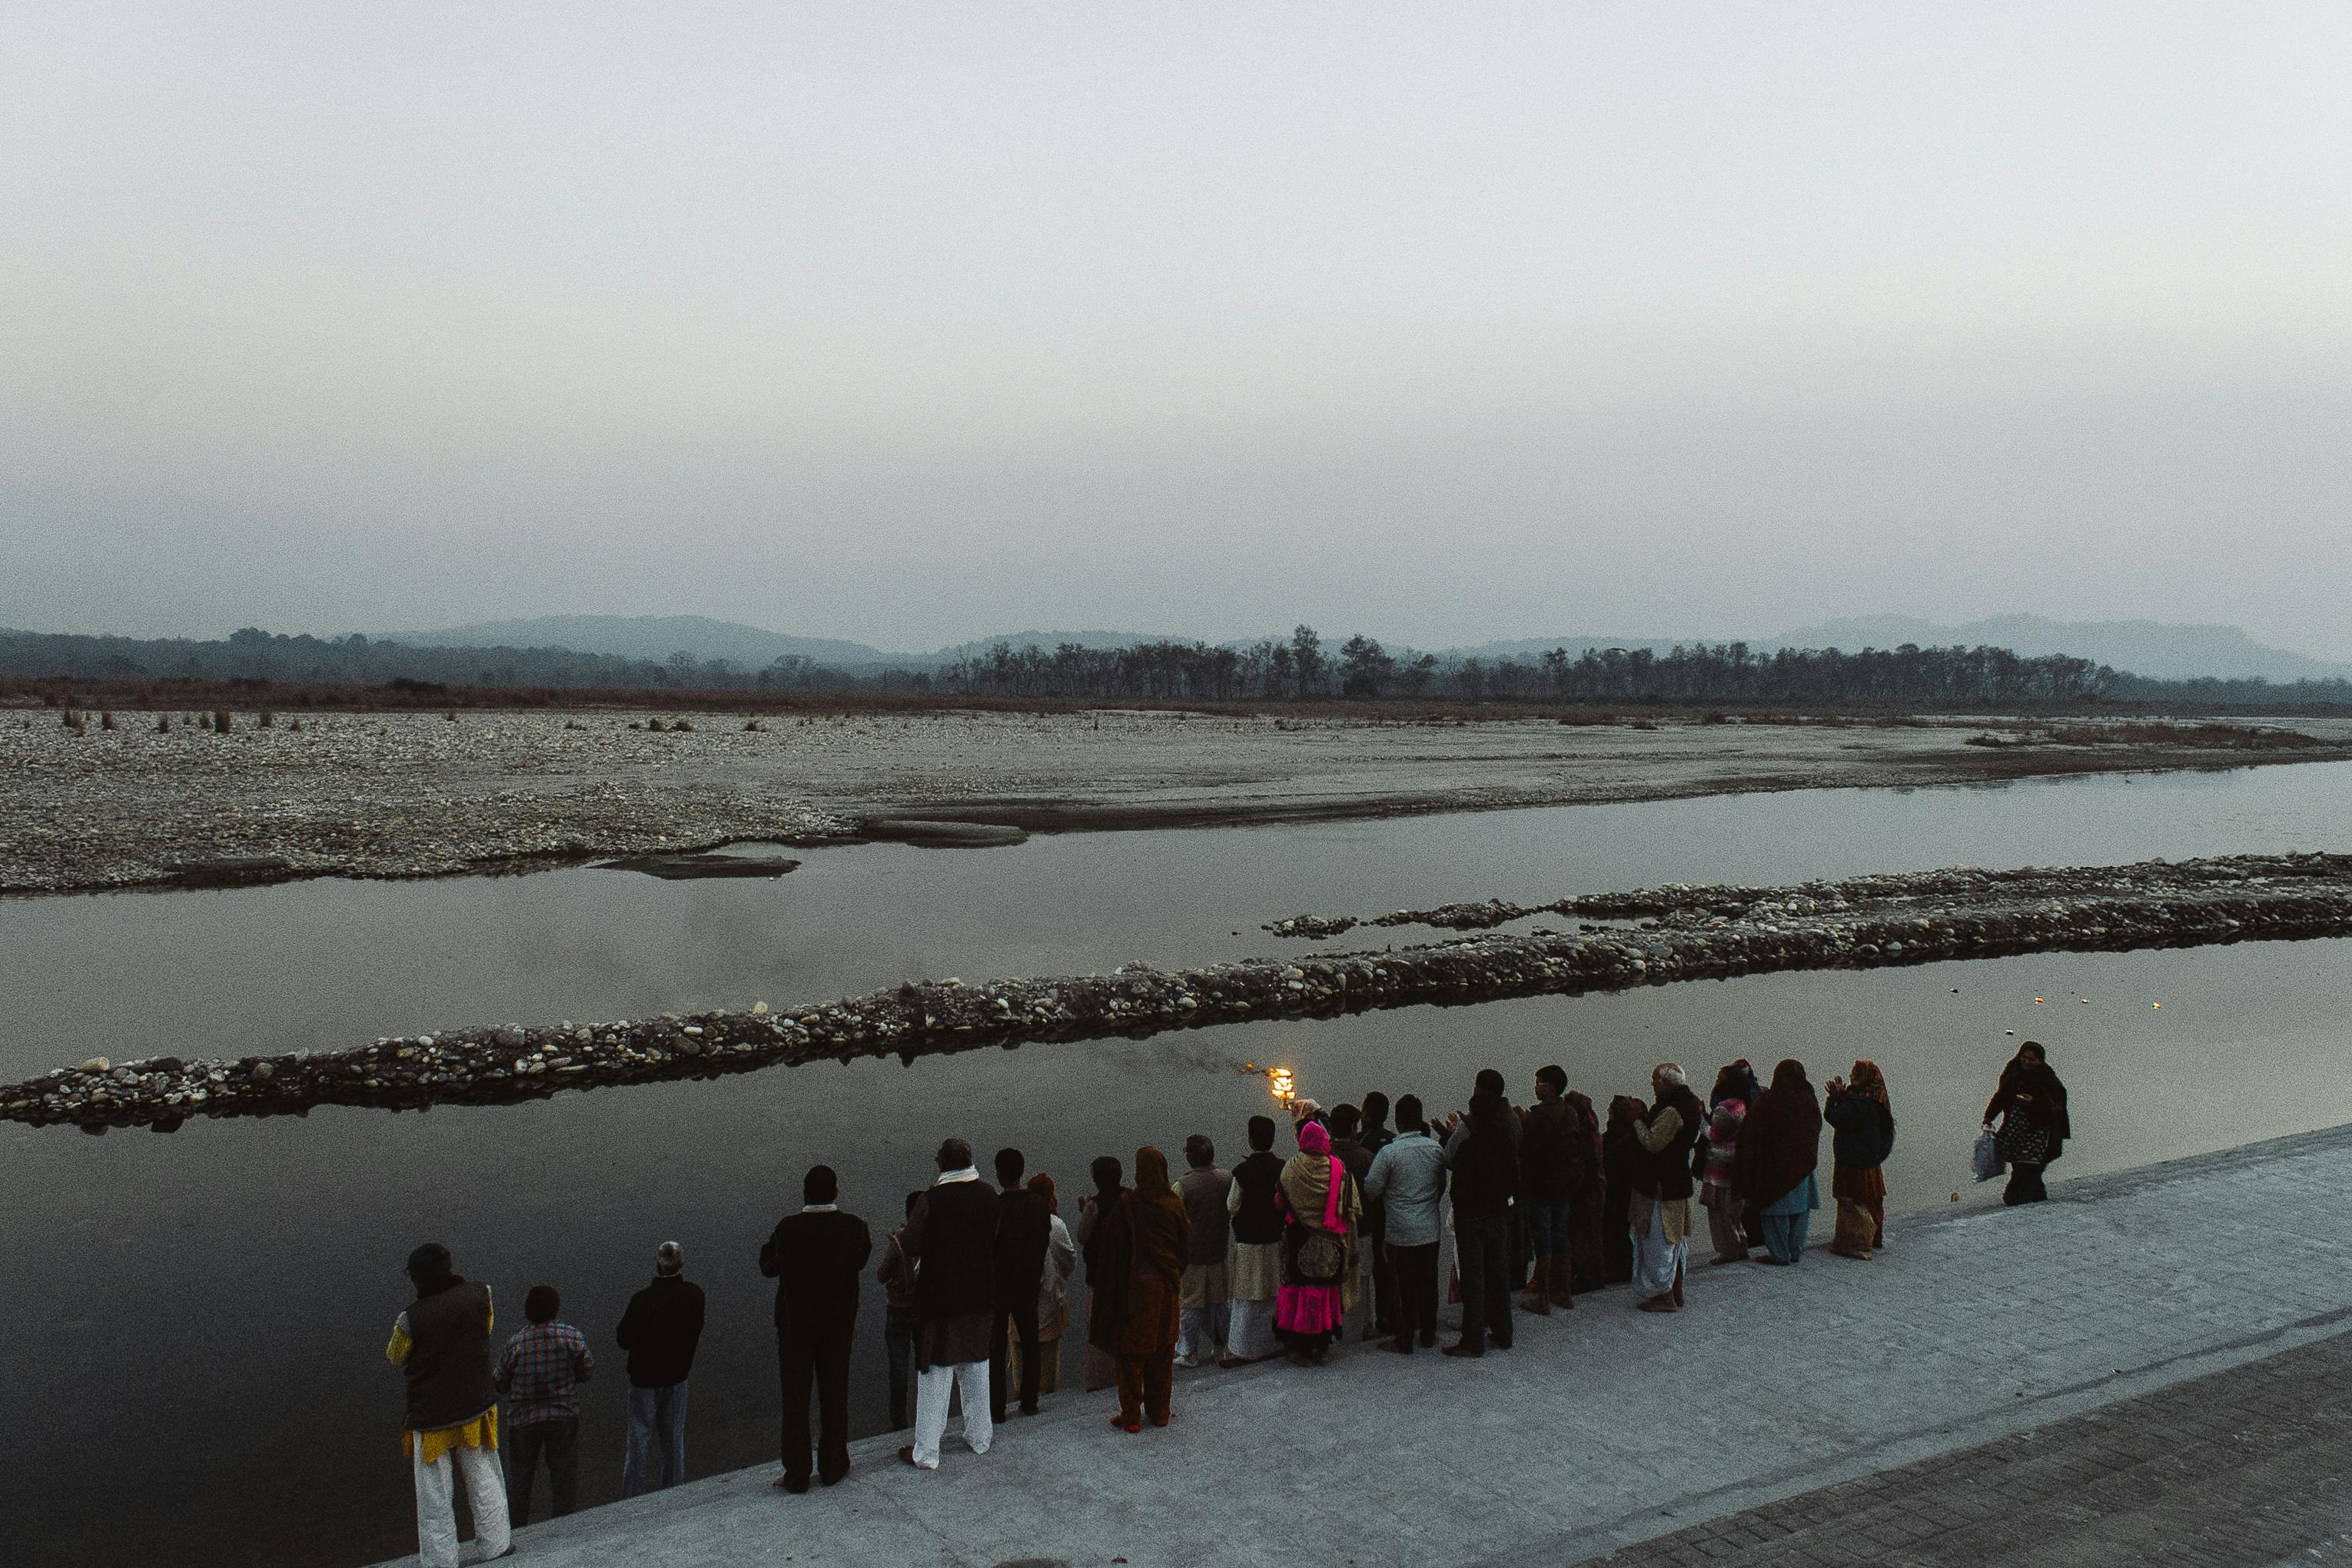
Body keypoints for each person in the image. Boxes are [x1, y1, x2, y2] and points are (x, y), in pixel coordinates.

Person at [386, 1242, 511, 1568]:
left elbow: (395, 1355)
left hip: (431, 1417)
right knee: (484, 1476)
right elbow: (485, 1329)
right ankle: (496, 1544)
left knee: (434, 1495)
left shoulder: (409, 1319)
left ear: (418, 1278)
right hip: (475, 1405)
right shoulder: (482, 1295)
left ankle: (441, 1560)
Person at [758, 1164, 872, 1493]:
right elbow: (862, 1259)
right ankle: (833, 1466)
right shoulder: (855, 1228)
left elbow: (767, 1266)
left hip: (796, 1329)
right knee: (834, 1394)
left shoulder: (787, 1229)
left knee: (796, 1400)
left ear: (805, 1193)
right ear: (837, 1191)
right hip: (838, 1327)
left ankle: (796, 1474)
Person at [899, 1138, 999, 1470]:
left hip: (942, 1297)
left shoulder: (933, 1199)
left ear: (941, 1163)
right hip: (981, 1293)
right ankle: (980, 1437)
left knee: (935, 1373)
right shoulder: (988, 1194)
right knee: (976, 1366)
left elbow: (911, 1242)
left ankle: (927, 1451)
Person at [1089, 1147, 1191, 1430]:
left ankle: (1132, 1416)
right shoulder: (1174, 1204)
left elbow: (1112, 1249)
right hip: (1168, 1289)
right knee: (1163, 1350)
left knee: (1132, 1354)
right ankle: (1160, 1411)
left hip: (1137, 1292)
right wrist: (1172, 1274)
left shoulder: (1128, 1205)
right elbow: (1184, 1248)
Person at [496, 1283, 593, 1527]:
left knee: (519, 1478)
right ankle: (563, 1525)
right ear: (555, 1308)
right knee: (563, 1475)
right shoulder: (571, 1336)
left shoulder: (515, 1344)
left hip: (523, 1420)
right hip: (563, 1415)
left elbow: (499, 1382)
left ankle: (516, 1528)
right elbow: (586, 1372)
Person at [1440, 1068, 1519, 1355]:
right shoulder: (1511, 1123)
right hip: (1500, 1209)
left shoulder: (1469, 1126)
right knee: (1499, 1274)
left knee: (1473, 1278)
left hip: (1471, 1212)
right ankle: (1503, 1332)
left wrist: (1449, 1135)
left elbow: (1449, 1158)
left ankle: (1473, 1340)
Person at [616, 1241, 704, 1496]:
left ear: (657, 1264)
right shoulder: (695, 1295)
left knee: (639, 1439)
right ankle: (673, 1493)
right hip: (678, 1377)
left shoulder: (642, 1301)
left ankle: (633, 1497)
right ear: (682, 1265)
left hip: (644, 1380)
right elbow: (696, 1328)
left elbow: (623, 1339)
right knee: (673, 1439)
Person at [1275, 1118, 1362, 1365]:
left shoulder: (1291, 1168)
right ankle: (1322, 1349)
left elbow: (1279, 1203)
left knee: (1299, 1293)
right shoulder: (1338, 1168)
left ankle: (1298, 1350)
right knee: (1324, 1294)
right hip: (1331, 1242)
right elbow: (1351, 1206)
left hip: (1298, 1240)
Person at [1364, 1093, 1447, 1354]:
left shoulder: (1389, 1153)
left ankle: (1404, 1338)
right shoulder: (1435, 1149)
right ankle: (1428, 1334)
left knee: (1401, 1287)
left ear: (1398, 1121)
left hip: (1399, 1232)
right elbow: (1441, 1186)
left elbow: (1372, 1188)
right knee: (1428, 1284)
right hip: (1429, 1229)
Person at [1628, 1065, 1706, 1312]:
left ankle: (1666, 1296)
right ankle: (1676, 1292)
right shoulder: (1690, 1104)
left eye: (1655, 1080)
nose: (1652, 1084)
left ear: (1665, 1082)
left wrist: (1636, 1121)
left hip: (1663, 1185)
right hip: (1677, 1182)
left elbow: (1653, 1142)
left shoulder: (1672, 1110)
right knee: (1675, 1241)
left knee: (1659, 1242)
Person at [1736, 1059, 1823, 1266]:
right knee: (1801, 1212)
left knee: (1775, 1213)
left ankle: (1779, 1253)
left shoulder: (1768, 1102)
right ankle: (1794, 1252)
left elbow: (1752, 1133)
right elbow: (1815, 1127)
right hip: (1802, 1167)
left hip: (1775, 1169)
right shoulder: (1808, 1098)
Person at [988, 1147, 1053, 1423]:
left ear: (999, 1175)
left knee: (995, 1347)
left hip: (999, 1286)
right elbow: (1043, 1240)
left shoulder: (995, 1207)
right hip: (1029, 1283)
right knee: (1031, 1342)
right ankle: (1029, 1401)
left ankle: (996, 1408)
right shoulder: (1039, 1205)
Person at [1519, 1065, 1586, 1314]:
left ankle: (1543, 1296)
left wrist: (1524, 1123)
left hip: (1541, 1187)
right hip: (1565, 1185)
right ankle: (1565, 1293)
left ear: (1548, 1088)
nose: (1535, 1087)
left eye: (1538, 1083)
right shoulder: (1570, 1112)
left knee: (1543, 1241)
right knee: (1561, 1237)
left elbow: (1527, 1151)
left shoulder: (1539, 1117)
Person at [1221, 1115, 1287, 1367]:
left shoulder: (1242, 1172)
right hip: (1274, 1239)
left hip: (1248, 1242)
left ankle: (1245, 1349)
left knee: (1248, 1295)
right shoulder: (1282, 1167)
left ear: (1250, 1139)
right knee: (1274, 1290)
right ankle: (1276, 1341)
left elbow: (1231, 1206)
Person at [1010, 1172, 1078, 1395]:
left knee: (1021, 1373)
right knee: (1047, 1378)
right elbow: (1070, 1261)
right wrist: (1056, 1276)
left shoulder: (1015, 1219)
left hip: (1018, 1309)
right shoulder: (1056, 1225)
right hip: (1049, 1309)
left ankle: (1023, 1414)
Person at [1824, 1061, 1895, 1259]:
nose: (1850, 1076)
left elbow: (1833, 1117)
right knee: (1873, 1198)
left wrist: (1833, 1098)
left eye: (1856, 1074)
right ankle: (1875, 1236)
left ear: (1864, 1077)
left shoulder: (1857, 1102)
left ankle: (1857, 1242)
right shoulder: (1878, 1097)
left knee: (1855, 1198)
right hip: (1872, 1162)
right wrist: (1843, 1096)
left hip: (1855, 1160)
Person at [1985, 1041, 2071, 1205]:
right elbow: (2000, 1097)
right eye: (2024, 1057)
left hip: (2039, 1132)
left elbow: (2056, 1105)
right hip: (2015, 1130)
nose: (2027, 1062)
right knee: (2022, 1166)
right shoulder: (2013, 1074)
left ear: (2040, 1061)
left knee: (2028, 1168)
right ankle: (2038, 1200)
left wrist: (2034, 1102)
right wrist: (1989, 1117)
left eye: (2032, 1059)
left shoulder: (2047, 1079)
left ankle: (2015, 1198)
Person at [1174, 1134, 1233, 1367]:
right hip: (1219, 1252)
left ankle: (1189, 1352)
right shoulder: (1227, 1179)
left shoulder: (1182, 1186)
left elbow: (1173, 1220)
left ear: (1191, 1156)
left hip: (1192, 1257)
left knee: (1190, 1304)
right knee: (1219, 1303)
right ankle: (1222, 1348)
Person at [1699, 1061, 1761, 1266]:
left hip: (1720, 1166)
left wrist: (1701, 1118)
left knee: (1720, 1212)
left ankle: (1729, 1251)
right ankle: (1740, 1244)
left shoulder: (1726, 1107)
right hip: (1736, 1164)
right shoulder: (1744, 1105)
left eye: (1719, 1079)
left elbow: (1713, 1135)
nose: (1716, 1082)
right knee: (1734, 1210)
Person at [1075, 1154, 1126, 1391]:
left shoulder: (1094, 1205)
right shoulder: (1129, 1198)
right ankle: (1126, 1371)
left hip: (1098, 1275)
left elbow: (1084, 1236)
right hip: (1125, 1273)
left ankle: (1099, 1379)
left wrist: (1084, 1210)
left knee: (1097, 1328)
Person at [874, 1191, 922, 1430]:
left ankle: (899, 1422)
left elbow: (881, 1275)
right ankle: (928, 1415)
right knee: (927, 1368)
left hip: (898, 1312)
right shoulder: (934, 1239)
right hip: (924, 1313)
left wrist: (895, 1245)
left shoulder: (899, 1242)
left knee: (898, 1369)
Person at [1357, 1091, 1400, 1338]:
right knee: (1386, 1272)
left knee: (1363, 1274)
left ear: (1366, 1114)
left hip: (1367, 1219)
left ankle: (1364, 1323)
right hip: (1389, 1217)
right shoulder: (1393, 1141)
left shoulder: (1362, 1142)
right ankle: (1388, 1318)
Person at [1563, 1088, 1607, 1294]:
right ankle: (1592, 1275)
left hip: (1584, 1192)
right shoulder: (1593, 1132)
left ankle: (1587, 1276)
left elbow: (1582, 1165)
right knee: (1591, 1235)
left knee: (1582, 1236)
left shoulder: (1581, 1134)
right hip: (1594, 1190)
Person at [1600, 1095, 1645, 1285]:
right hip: (1626, 1189)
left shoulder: (1616, 1136)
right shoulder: (1634, 1134)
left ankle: (1618, 1270)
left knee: (1615, 1230)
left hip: (1616, 1190)